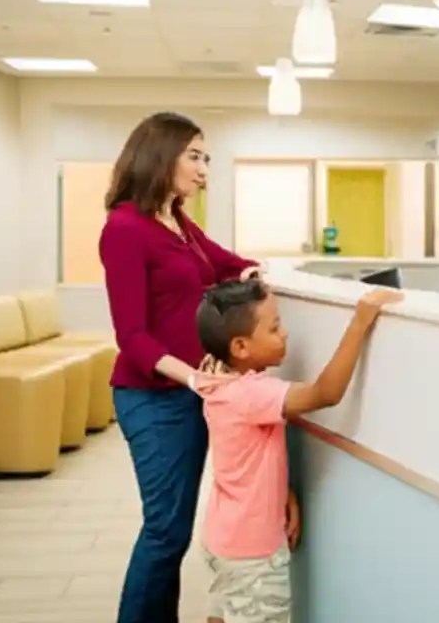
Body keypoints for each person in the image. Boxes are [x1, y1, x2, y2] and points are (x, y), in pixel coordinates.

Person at [100, 111, 262, 623]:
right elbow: (131, 337)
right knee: (165, 531)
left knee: (175, 531)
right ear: (159, 155)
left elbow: (224, 262)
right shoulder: (125, 228)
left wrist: (252, 271)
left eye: (206, 158)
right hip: (152, 398)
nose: (203, 169)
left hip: (190, 393)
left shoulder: (177, 222)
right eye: (194, 155)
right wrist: (191, 375)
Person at [191, 278, 402, 623]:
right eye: (275, 327)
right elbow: (326, 393)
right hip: (253, 555)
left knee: (223, 614)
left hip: (223, 538)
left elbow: (246, 457)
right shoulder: (252, 394)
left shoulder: (215, 378)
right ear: (241, 347)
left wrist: (281, 490)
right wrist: (360, 321)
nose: (285, 334)